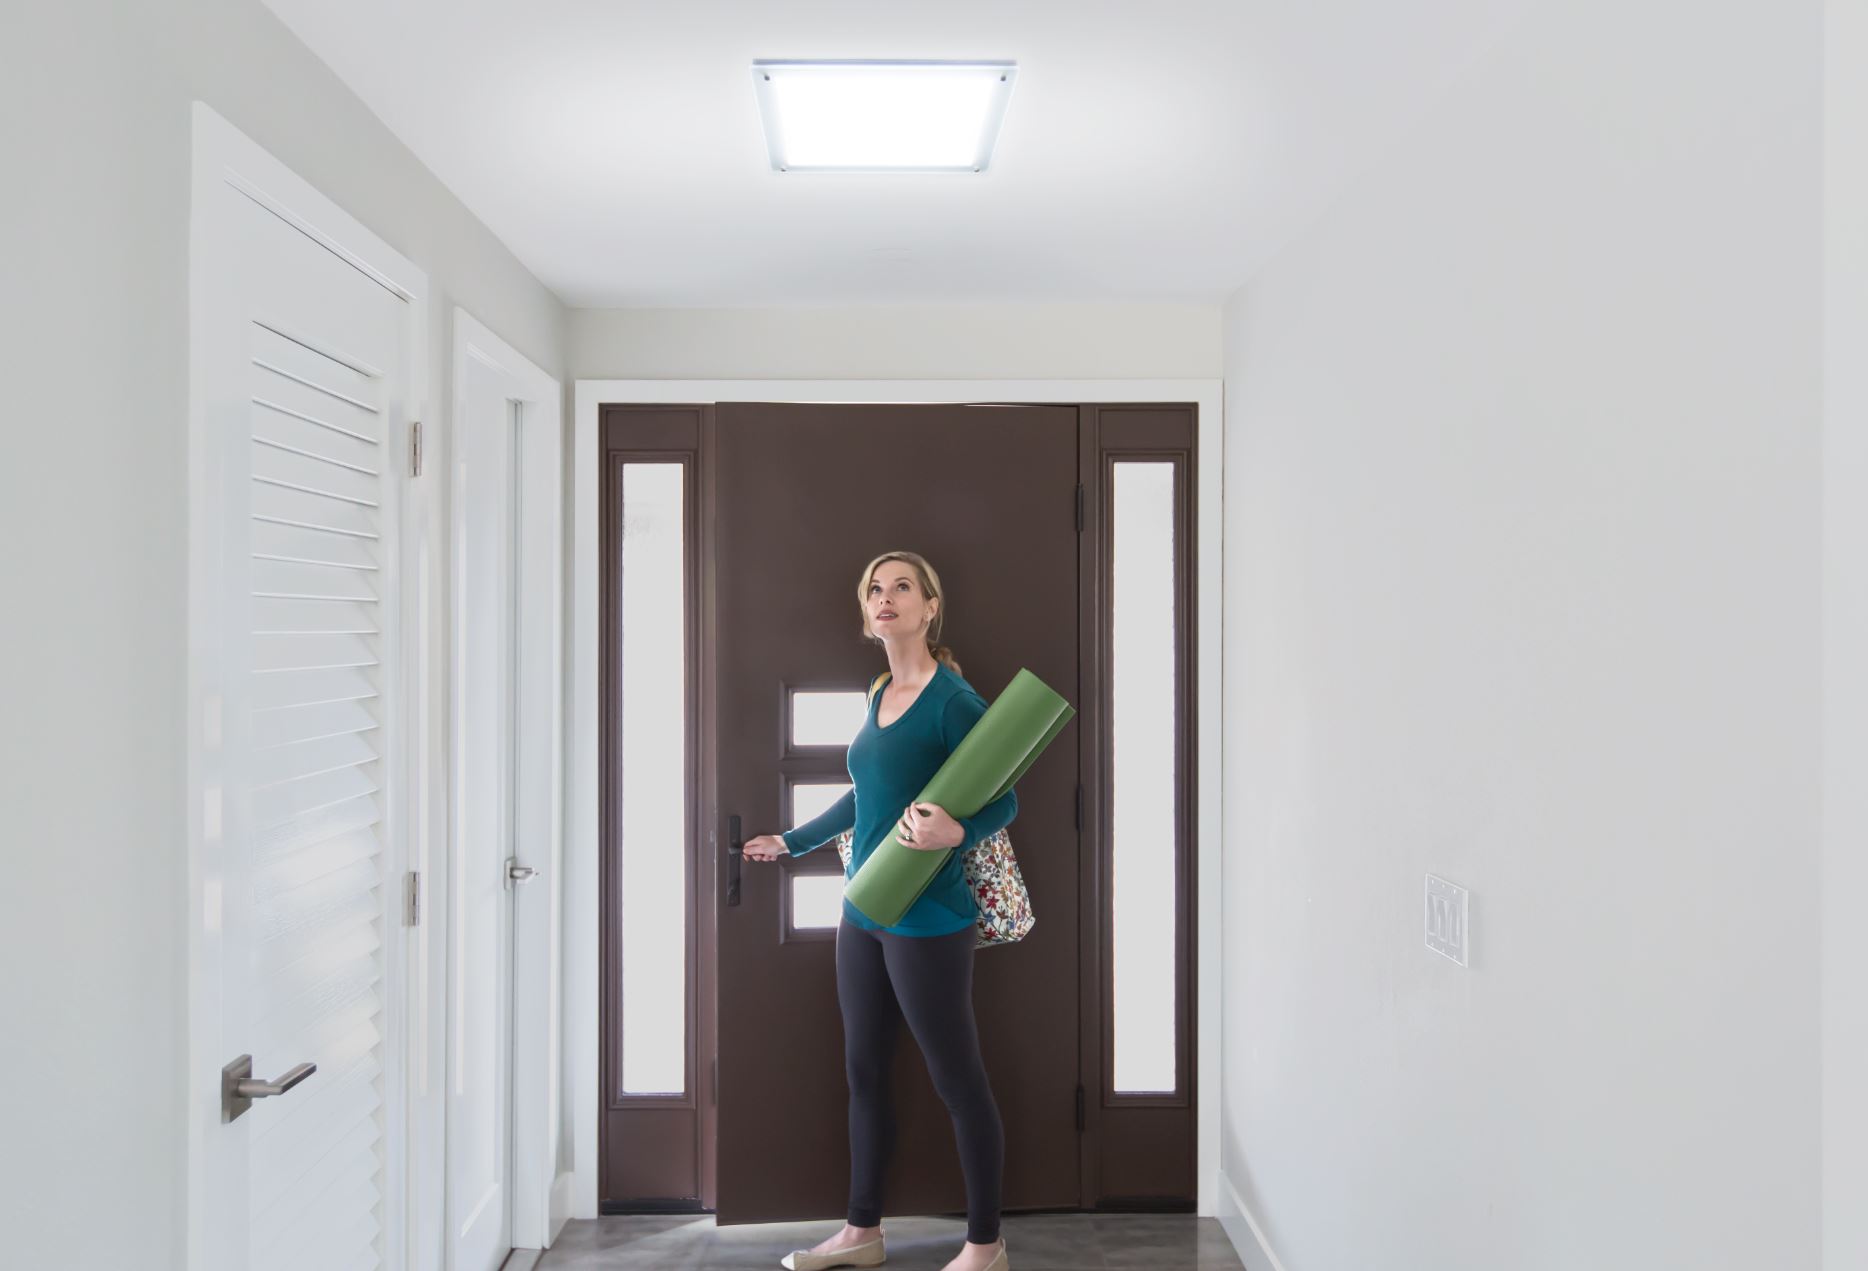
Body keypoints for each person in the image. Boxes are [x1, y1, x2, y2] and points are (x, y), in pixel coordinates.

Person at [743, 550, 1016, 1271]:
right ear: (867, 612)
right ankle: (862, 1232)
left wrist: (958, 830)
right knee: (864, 1070)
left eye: (902, 587)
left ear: (930, 607)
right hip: (862, 909)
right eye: (875, 587)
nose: (885, 597)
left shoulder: (953, 698)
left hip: (929, 916)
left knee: (958, 1078)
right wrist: (792, 839)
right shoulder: (878, 691)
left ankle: (985, 1245)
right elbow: (864, 793)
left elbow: (1006, 794)